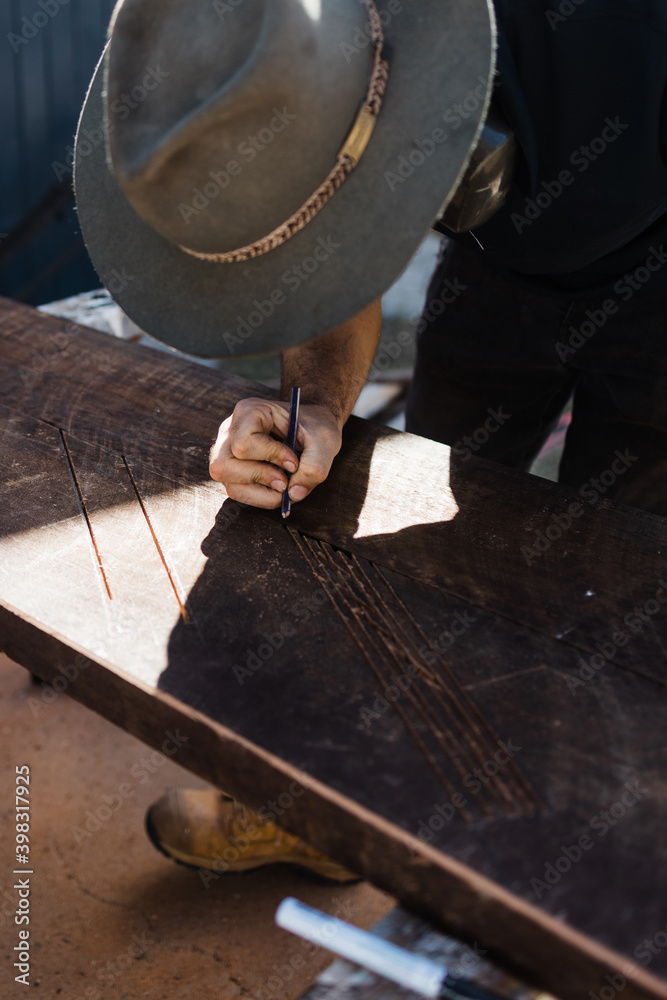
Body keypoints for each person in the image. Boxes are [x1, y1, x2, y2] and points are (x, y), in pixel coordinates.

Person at [76, 0, 667, 878]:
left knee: (608, 602)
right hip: (495, 270)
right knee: (428, 552)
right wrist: (314, 404)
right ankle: (352, 804)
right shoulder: (306, 41)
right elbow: (337, 227)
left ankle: (558, 878)